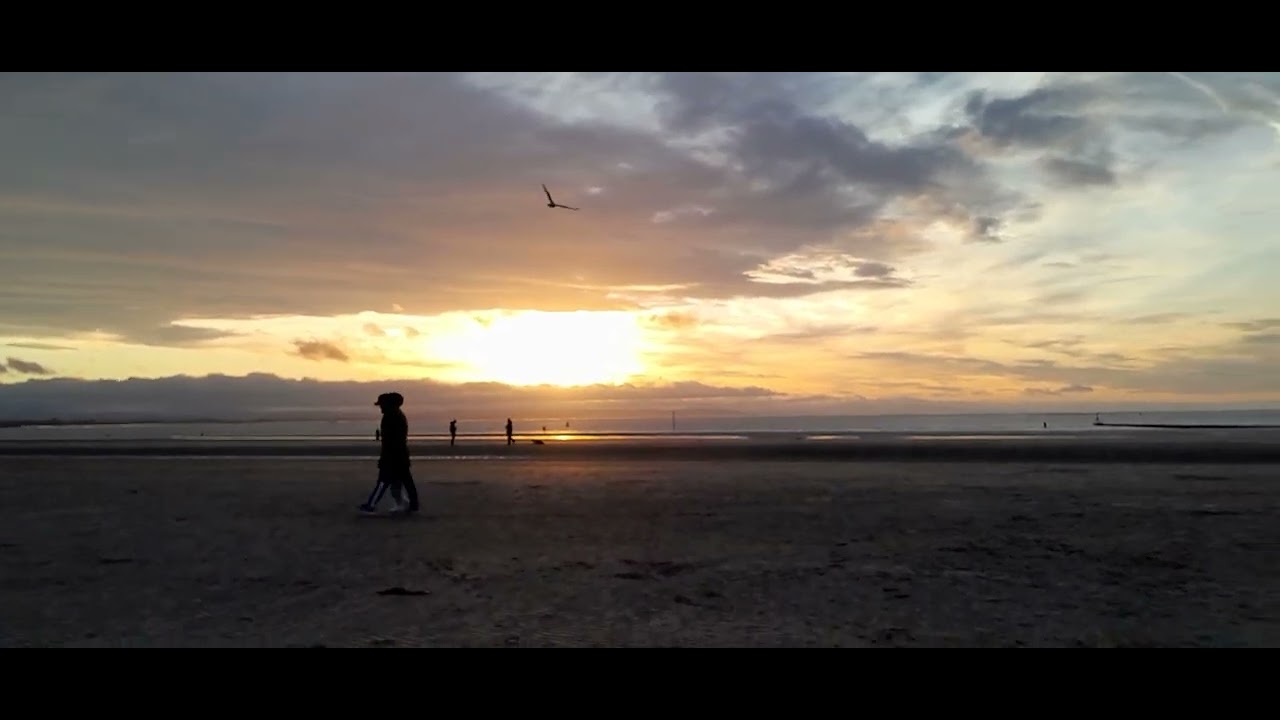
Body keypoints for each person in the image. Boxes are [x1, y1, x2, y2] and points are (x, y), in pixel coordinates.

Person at [360, 392, 419, 515]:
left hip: (393, 457)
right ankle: (409, 505)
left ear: (388, 405)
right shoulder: (397, 415)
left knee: (383, 482)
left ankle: (371, 505)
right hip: (400, 455)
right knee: (403, 482)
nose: (380, 407)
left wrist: (385, 458)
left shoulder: (391, 417)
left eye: (382, 405)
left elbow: (390, 441)